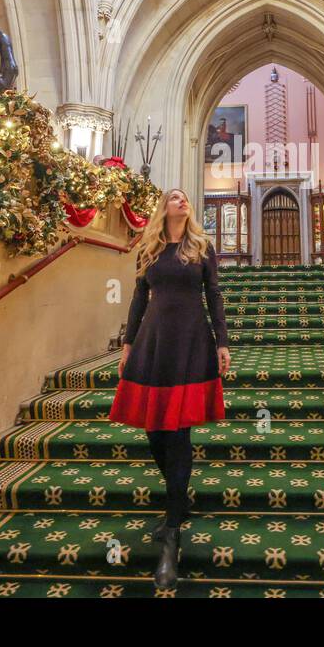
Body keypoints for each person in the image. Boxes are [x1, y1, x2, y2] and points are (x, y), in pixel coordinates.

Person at [108, 188, 231, 590]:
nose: (182, 200)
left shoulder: (201, 247)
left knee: (178, 431)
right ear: (164, 208)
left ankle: (173, 531)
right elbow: (139, 296)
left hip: (192, 340)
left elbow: (213, 294)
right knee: (153, 432)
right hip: (153, 340)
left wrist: (223, 342)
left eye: (184, 197)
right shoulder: (150, 247)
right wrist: (127, 343)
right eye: (174, 197)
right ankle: (180, 497)